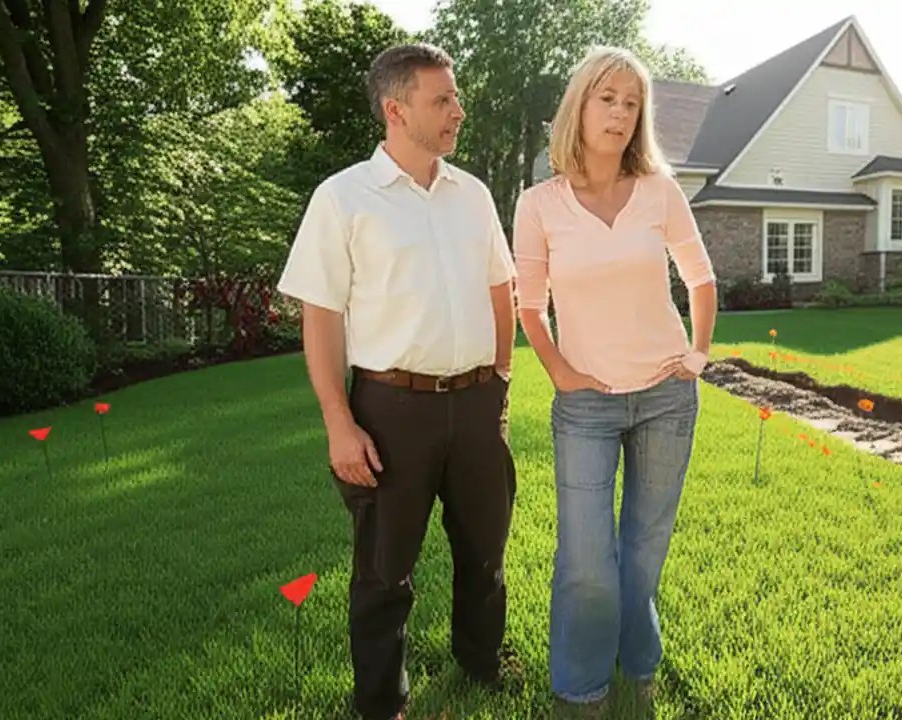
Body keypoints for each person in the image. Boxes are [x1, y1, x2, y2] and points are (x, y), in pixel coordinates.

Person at [276, 43, 518, 720]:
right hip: (389, 409)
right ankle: (380, 701)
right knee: (384, 572)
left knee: (486, 555)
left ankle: (480, 663)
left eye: (456, 97)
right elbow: (320, 317)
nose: (458, 111)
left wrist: (499, 382)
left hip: (476, 405)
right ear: (395, 109)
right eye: (442, 100)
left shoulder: (472, 194)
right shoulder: (343, 198)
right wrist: (337, 420)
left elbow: (505, 291)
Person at [511, 46, 718, 707]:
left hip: (665, 398)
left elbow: (702, 278)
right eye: (609, 98)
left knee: (644, 548)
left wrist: (697, 355)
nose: (622, 113)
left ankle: (639, 654)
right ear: (581, 104)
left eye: (632, 104)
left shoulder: (659, 192)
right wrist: (560, 370)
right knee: (586, 560)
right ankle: (580, 688)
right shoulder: (538, 204)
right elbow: (529, 303)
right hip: (587, 407)